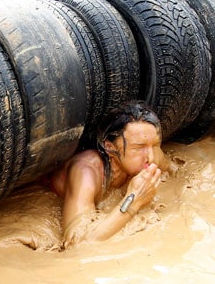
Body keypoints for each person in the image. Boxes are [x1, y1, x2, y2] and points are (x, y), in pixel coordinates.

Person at [42, 100, 172, 248]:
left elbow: (175, 169)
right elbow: (78, 242)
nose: (151, 157)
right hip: (42, 190)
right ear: (109, 147)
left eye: (154, 145)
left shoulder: (149, 155)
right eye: (138, 147)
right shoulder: (86, 173)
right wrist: (133, 200)